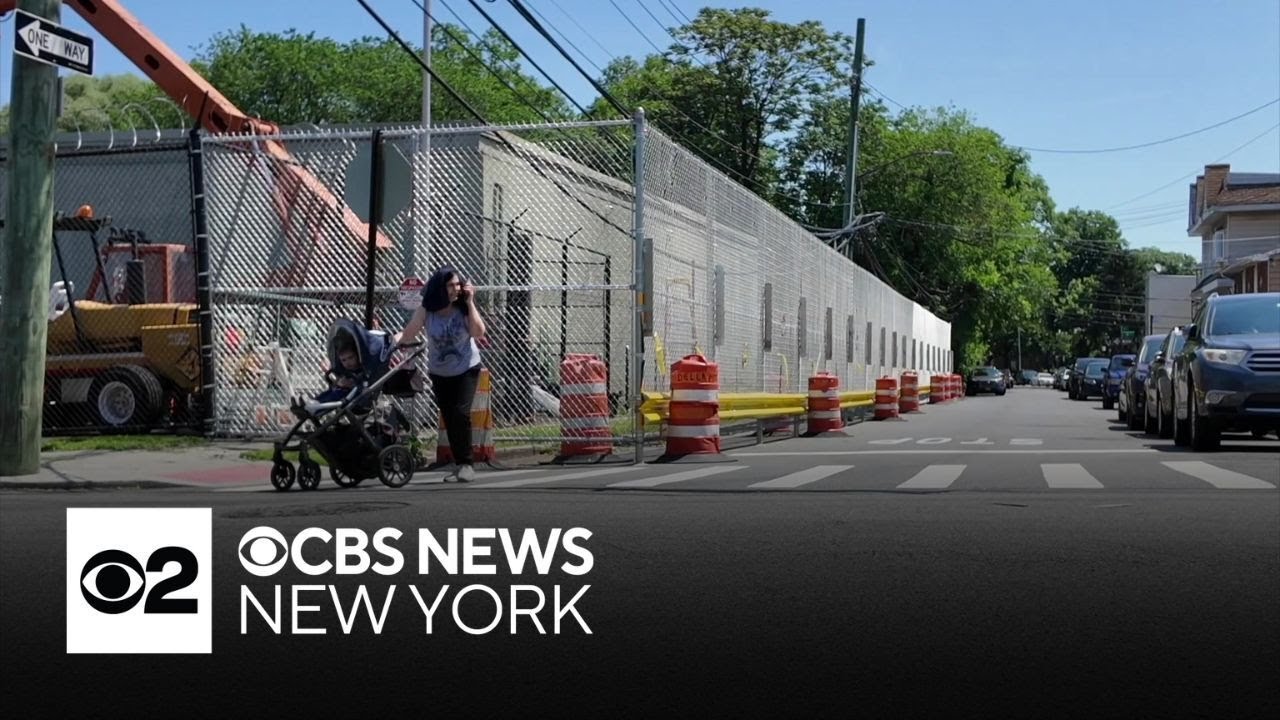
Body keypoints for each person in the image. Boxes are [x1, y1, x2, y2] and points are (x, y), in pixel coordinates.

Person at [394, 266, 486, 482]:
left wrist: (471, 302)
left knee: (460, 414)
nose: (456, 289)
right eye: (451, 285)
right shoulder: (427, 309)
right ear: (439, 288)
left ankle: (466, 464)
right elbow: (411, 331)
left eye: (458, 284)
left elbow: (478, 332)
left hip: (466, 368)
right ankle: (459, 464)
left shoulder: (463, 308)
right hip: (440, 372)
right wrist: (394, 342)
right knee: (449, 415)